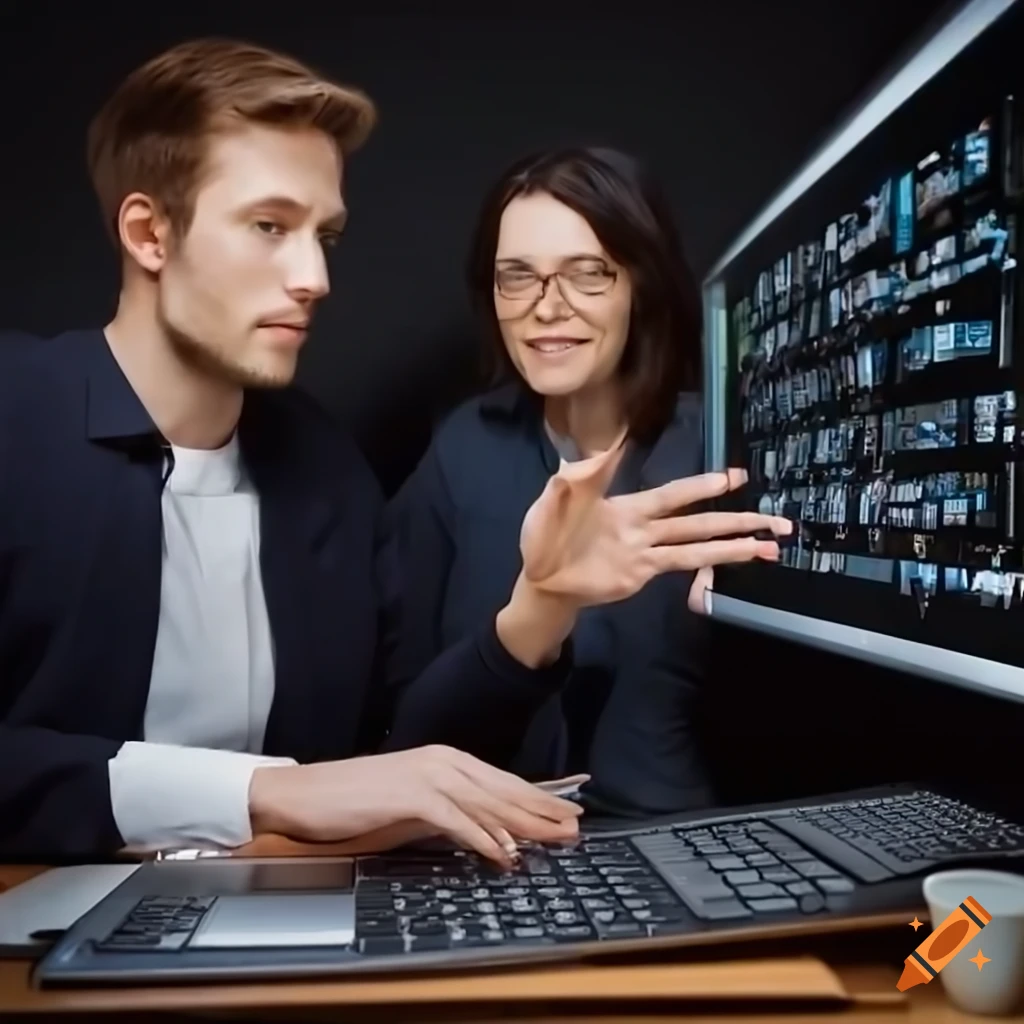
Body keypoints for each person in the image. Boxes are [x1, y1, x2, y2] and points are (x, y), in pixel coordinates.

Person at [0, 41, 790, 864]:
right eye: (270, 227)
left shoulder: (325, 475)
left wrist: (544, 605)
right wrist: (265, 790)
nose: (314, 277)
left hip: (301, 915)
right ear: (149, 233)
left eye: (326, 237)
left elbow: (402, 750)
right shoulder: (17, 420)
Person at [386, 146, 757, 818]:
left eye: (587, 275)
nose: (546, 307)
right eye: (516, 277)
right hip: (493, 858)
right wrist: (533, 616)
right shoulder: (464, 449)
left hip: (692, 865)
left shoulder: (722, 455)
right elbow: (406, 740)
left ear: (639, 283)